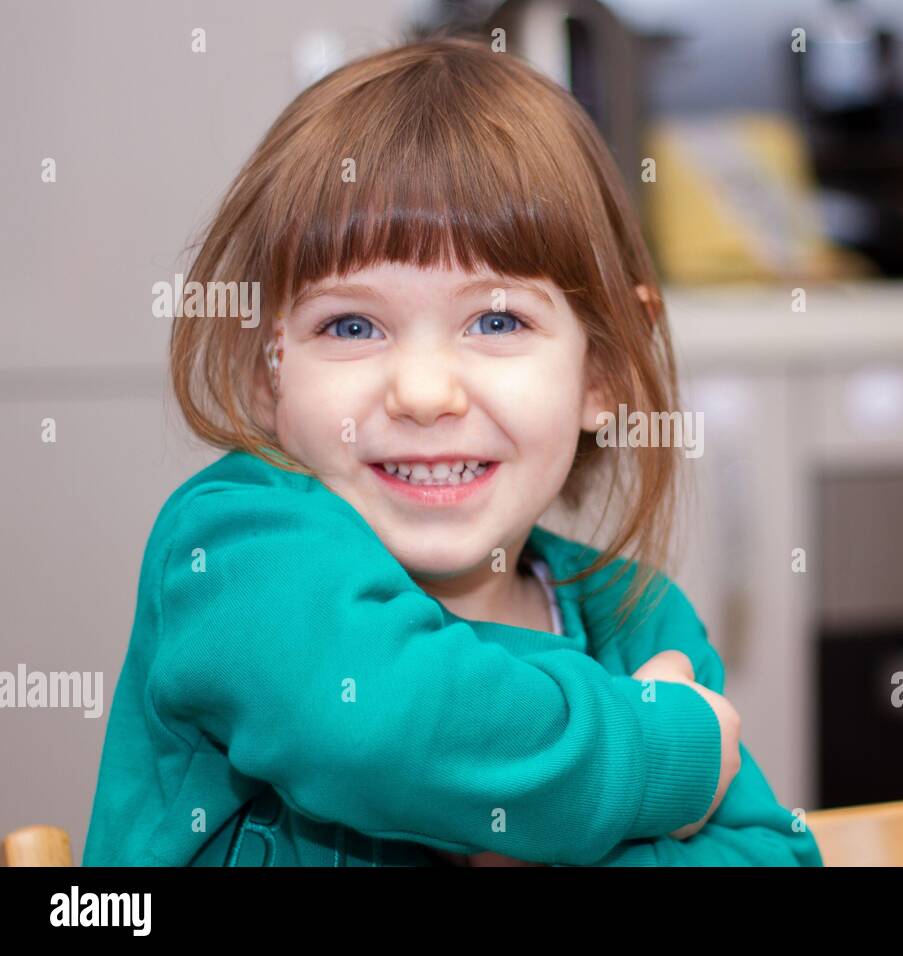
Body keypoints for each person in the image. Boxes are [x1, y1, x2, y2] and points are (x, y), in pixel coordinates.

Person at [83, 33, 822, 868]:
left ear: (603, 367)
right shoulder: (238, 553)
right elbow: (375, 726)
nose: (425, 392)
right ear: (269, 372)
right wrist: (655, 753)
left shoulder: (633, 618)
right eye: (351, 326)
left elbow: (771, 857)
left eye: (497, 321)